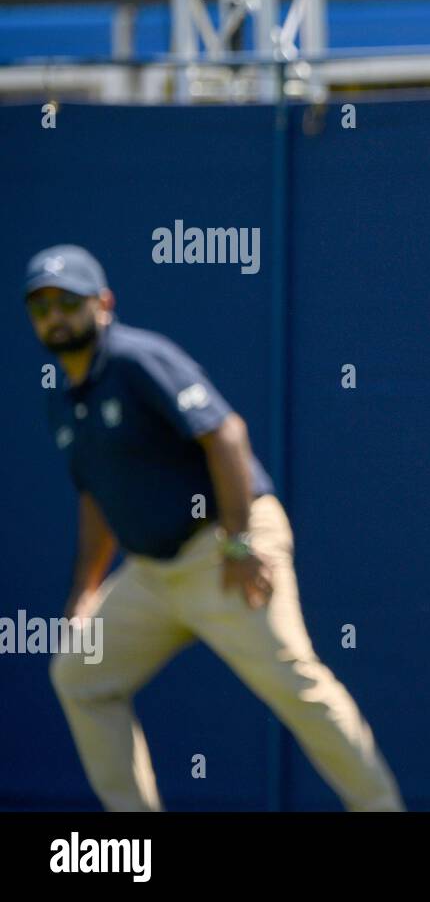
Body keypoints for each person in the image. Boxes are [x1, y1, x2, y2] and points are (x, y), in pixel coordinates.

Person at [25, 244, 403, 811]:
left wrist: (239, 539)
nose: (55, 316)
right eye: (41, 306)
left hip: (224, 548)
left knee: (297, 686)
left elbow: (226, 433)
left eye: (68, 302)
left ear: (103, 303)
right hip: (153, 576)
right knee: (79, 676)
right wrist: (85, 592)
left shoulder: (136, 358)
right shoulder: (61, 397)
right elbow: (96, 494)